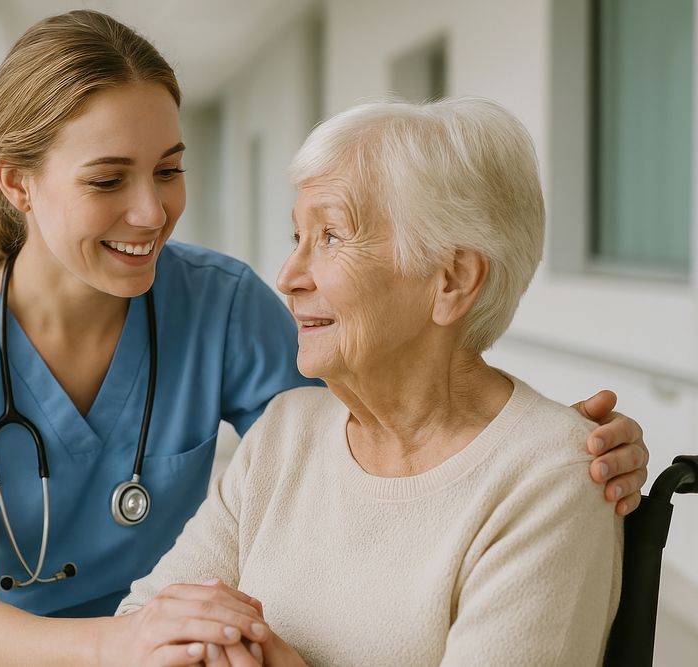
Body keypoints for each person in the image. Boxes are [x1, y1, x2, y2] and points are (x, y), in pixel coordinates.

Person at [0, 10, 648, 666]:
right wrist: (125, 641)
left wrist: (551, 446)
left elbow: (393, 414)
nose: (151, 212)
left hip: (151, 636)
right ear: (15, 181)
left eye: (169, 169)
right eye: (107, 179)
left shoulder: (221, 305)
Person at [119, 98, 625, 666]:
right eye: (297, 236)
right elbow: (142, 627)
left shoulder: (549, 478)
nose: (288, 277)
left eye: (332, 236)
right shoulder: (286, 430)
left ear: (451, 280)